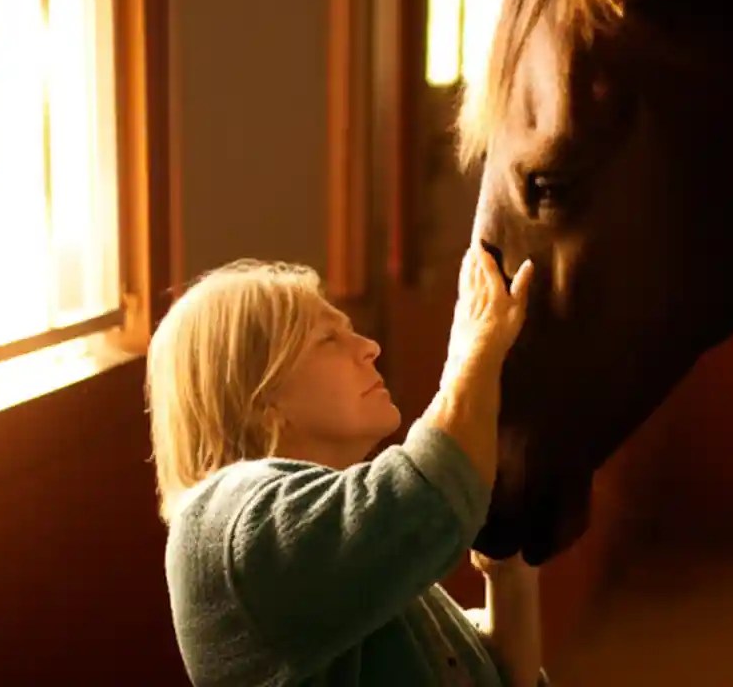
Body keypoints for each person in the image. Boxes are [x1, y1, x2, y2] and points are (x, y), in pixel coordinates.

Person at [146, 240, 547, 686]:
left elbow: (487, 672)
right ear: (261, 398)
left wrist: (507, 571)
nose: (369, 347)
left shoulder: (335, 546)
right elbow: (424, 494)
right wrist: (474, 347)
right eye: (329, 338)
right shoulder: (223, 525)